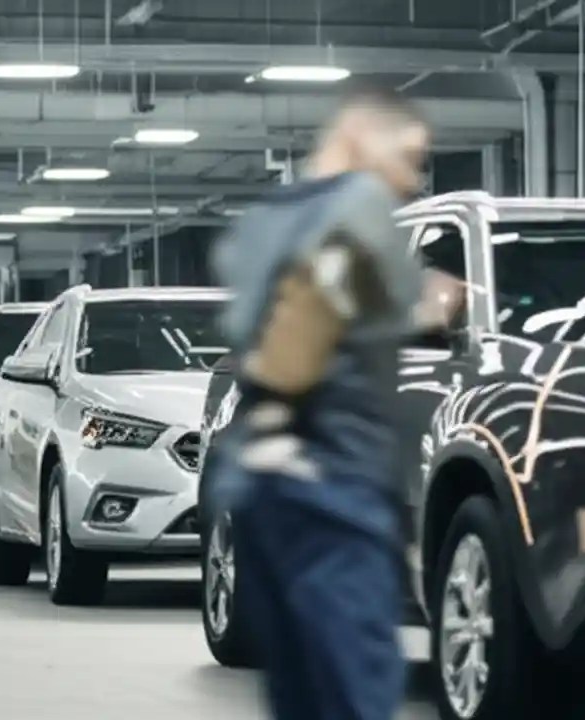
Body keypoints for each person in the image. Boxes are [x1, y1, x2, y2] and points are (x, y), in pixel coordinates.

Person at [211, 85, 464, 720]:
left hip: (264, 495)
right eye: (406, 157)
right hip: (333, 487)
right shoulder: (361, 203)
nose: (410, 179)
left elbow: (277, 315)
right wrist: (280, 408)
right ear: (356, 136)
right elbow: (315, 299)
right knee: (354, 691)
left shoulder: (269, 215)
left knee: (299, 693)